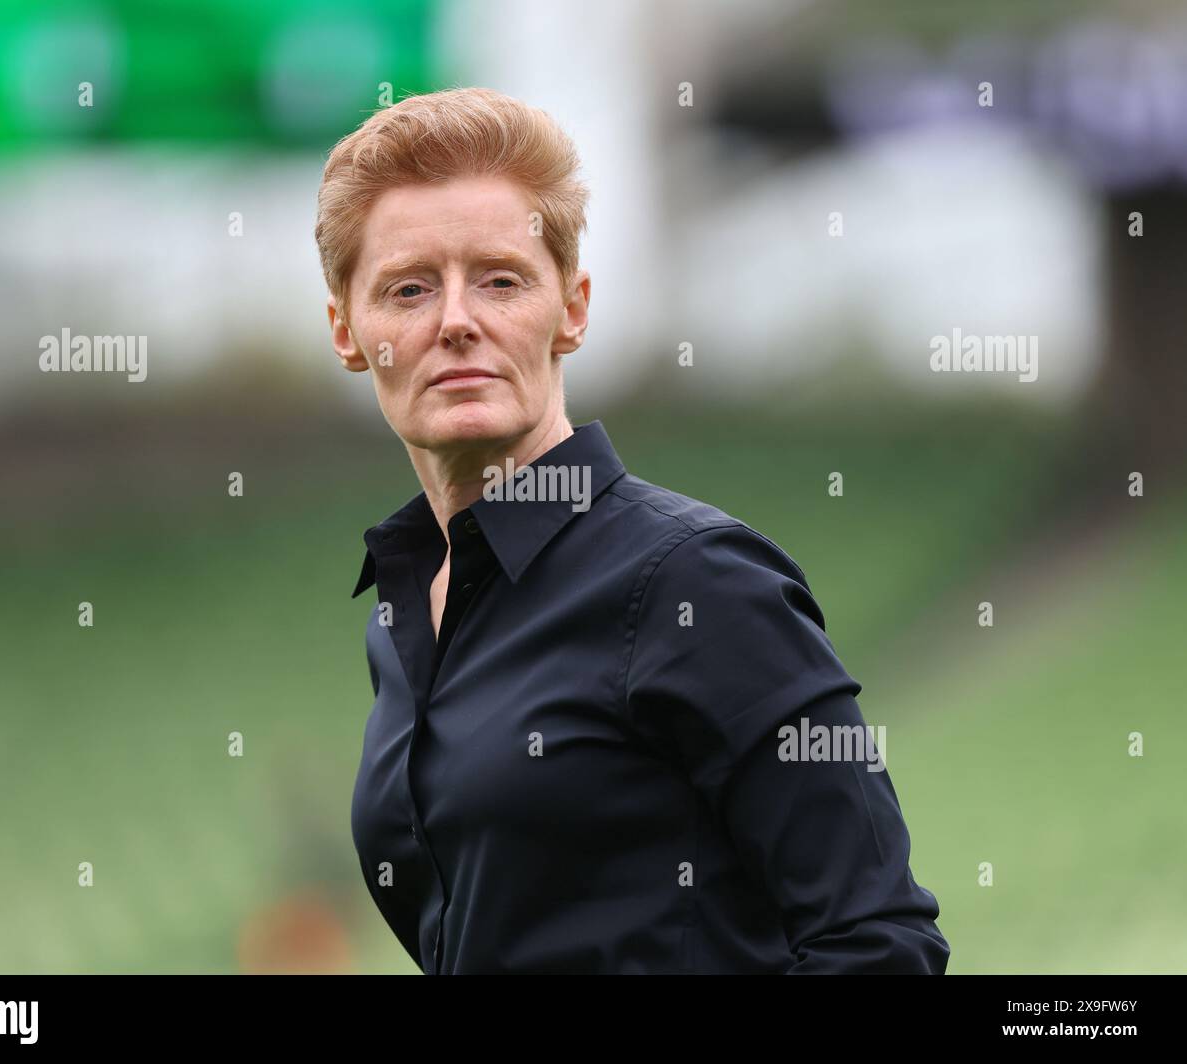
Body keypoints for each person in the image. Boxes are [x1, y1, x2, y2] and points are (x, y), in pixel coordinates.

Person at [317, 86, 950, 974]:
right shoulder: (404, 613)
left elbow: (879, 943)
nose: (456, 320)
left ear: (571, 309)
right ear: (349, 329)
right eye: (408, 289)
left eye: (501, 279)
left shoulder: (699, 581)